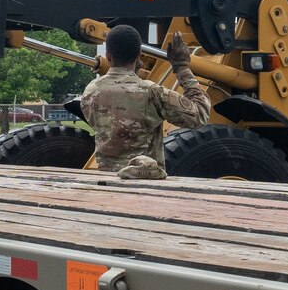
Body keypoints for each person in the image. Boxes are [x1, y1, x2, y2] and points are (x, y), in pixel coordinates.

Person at [78, 23, 211, 180]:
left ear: (108, 56)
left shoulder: (90, 91)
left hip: (107, 179)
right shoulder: (151, 92)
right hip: (146, 181)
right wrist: (182, 67)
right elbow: (199, 115)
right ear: (139, 56)